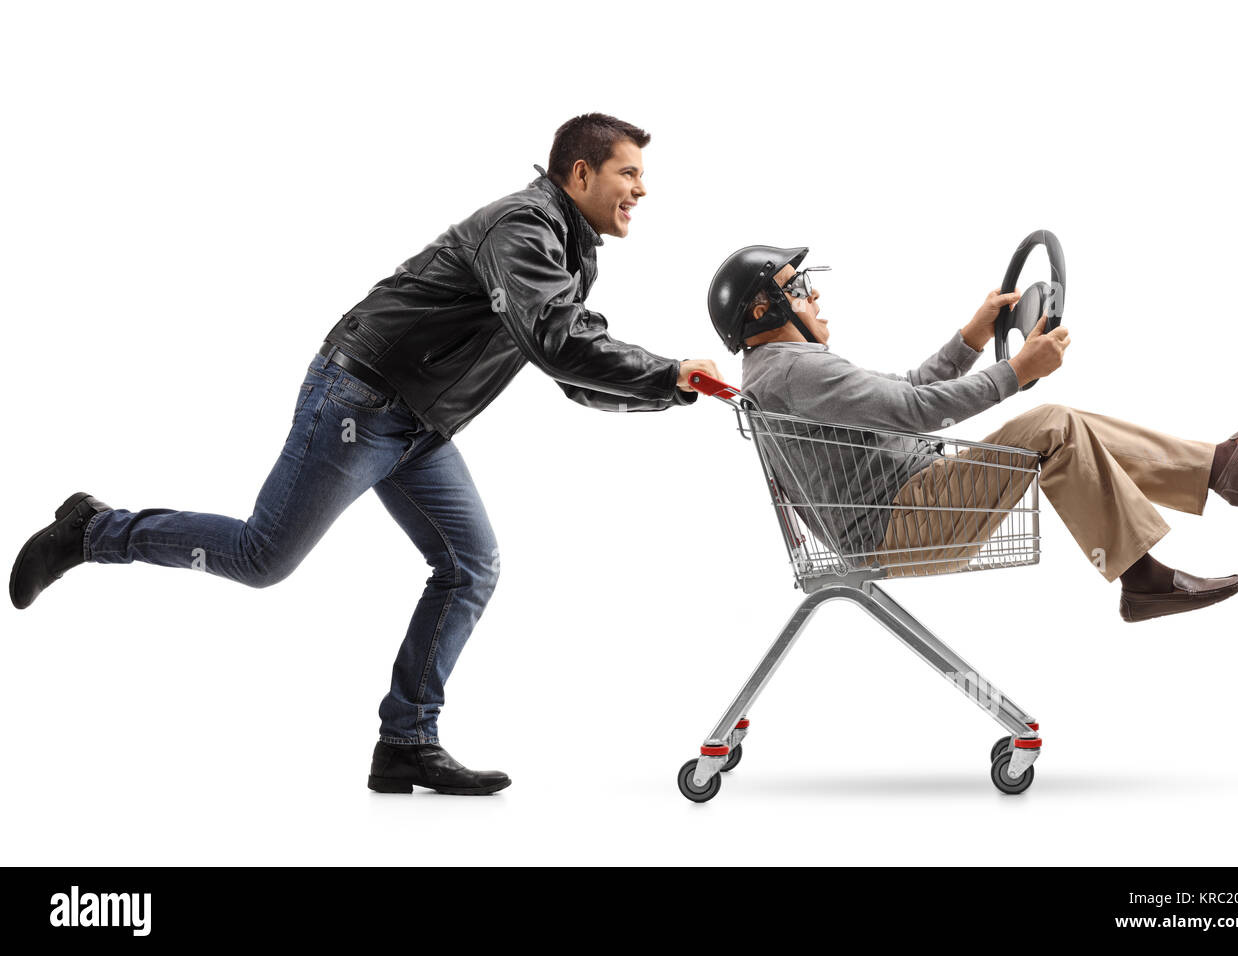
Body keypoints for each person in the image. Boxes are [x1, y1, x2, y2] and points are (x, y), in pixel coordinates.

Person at [10, 113, 720, 794]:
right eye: (630, 172)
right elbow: (558, 342)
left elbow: (567, 370)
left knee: (469, 565)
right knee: (263, 558)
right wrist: (665, 371)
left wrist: (672, 387)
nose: (642, 189)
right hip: (362, 397)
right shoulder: (523, 226)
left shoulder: (567, 251)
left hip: (416, 424)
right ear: (580, 171)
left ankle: (406, 741)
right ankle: (93, 530)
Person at [705, 245, 1238, 622]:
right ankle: (1171, 536)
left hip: (909, 503)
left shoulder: (784, 369)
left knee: (1060, 433)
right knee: (1051, 424)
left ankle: (1202, 493)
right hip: (900, 522)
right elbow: (915, 409)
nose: (815, 293)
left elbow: (904, 389)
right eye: (799, 284)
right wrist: (1017, 372)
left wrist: (972, 338)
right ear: (764, 307)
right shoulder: (794, 369)